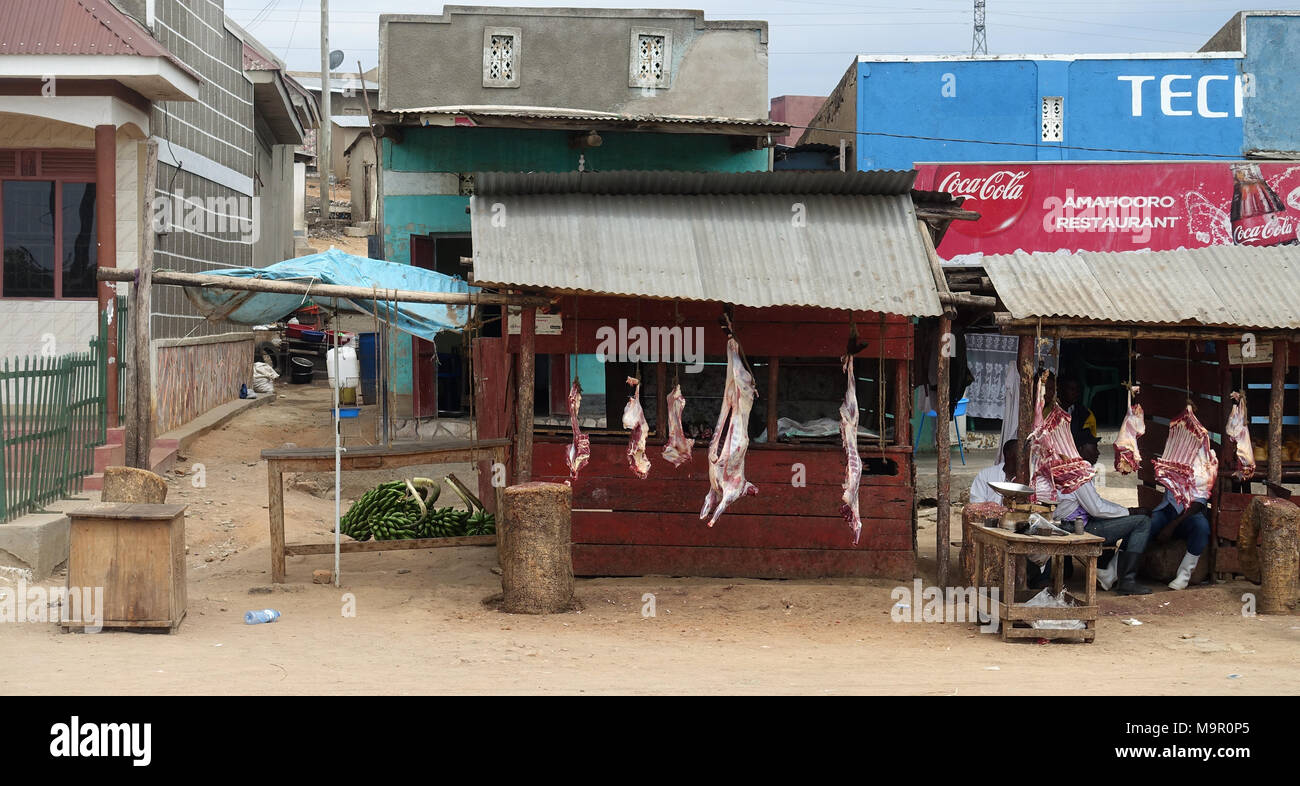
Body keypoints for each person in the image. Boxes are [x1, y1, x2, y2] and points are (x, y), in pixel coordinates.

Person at [1051, 441, 1152, 595]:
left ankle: (1110, 572)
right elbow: (1096, 509)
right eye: (1093, 447)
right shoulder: (1078, 473)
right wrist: (1130, 512)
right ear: (1080, 448)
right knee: (1142, 523)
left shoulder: (1073, 468)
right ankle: (1127, 581)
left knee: (1129, 521)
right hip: (1076, 528)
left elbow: (1096, 502)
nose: (1098, 452)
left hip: (1074, 523)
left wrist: (1126, 511)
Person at [1149, 488, 1211, 590]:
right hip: (1167, 509)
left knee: (1201, 527)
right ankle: (1117, 571)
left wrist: (1172, 525)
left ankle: (1184, 576)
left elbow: (1199, 503)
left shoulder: (1202, 473)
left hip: (1190, 512)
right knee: (1146, 524)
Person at [1057, 376, 1098, 454]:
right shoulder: (1051, 412)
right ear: (1061, 390)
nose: (1075, 393)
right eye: (1071, 389)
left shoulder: (1085, 414)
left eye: (1077, 390)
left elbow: (1089, 439)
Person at [970, 439, 1017, 505]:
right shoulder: (985, 475)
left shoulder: (1029, 478)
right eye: (1020, 453)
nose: (1026, 457)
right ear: (1009, 454)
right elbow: (976, 503)